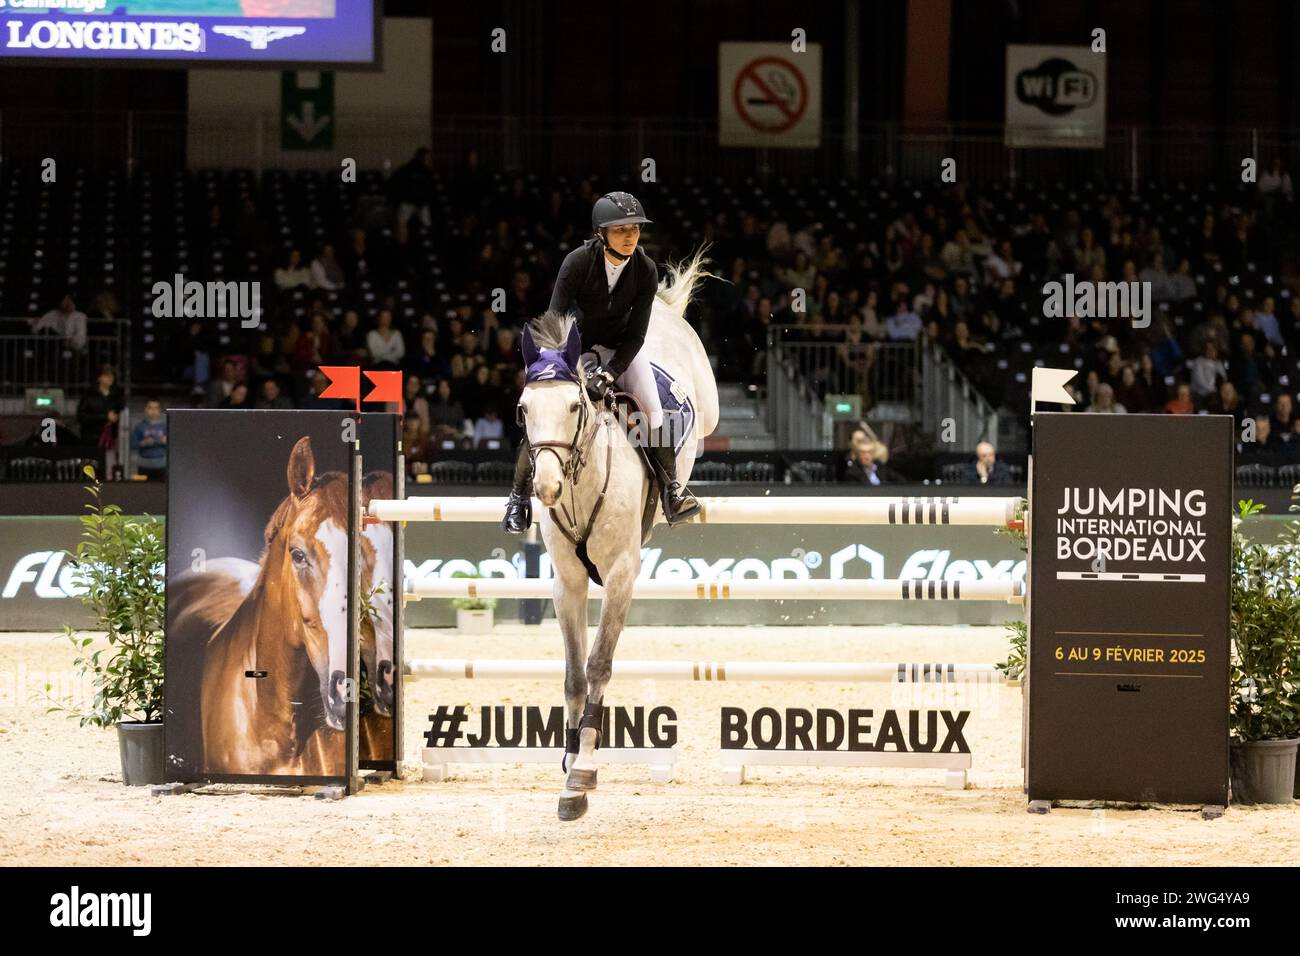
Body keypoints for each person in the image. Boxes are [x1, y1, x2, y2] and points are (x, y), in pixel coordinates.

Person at [502, 191, 699, 532]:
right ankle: (518, 500)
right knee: (547, 413)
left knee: (651, 411)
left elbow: (637, 335)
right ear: (601, 233)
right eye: (621, 230)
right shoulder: (577, 262)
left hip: (622, 349)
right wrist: (558, 366)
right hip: (573, 348)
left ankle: (672, 491)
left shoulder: (645, 270)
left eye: (635, 229)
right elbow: (555, 320)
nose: (630, 236)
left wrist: (610, 374)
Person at [130, 399, 168, 480]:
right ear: (146, 409)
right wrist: (143, 443)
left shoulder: (166, 426)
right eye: (150, 408)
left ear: (159, 410)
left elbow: (175, 445)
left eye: (156, 408)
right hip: (144, 465)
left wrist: (166, 441)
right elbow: (133, 445)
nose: (153, 411)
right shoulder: (139, 426)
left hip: (162, 464)